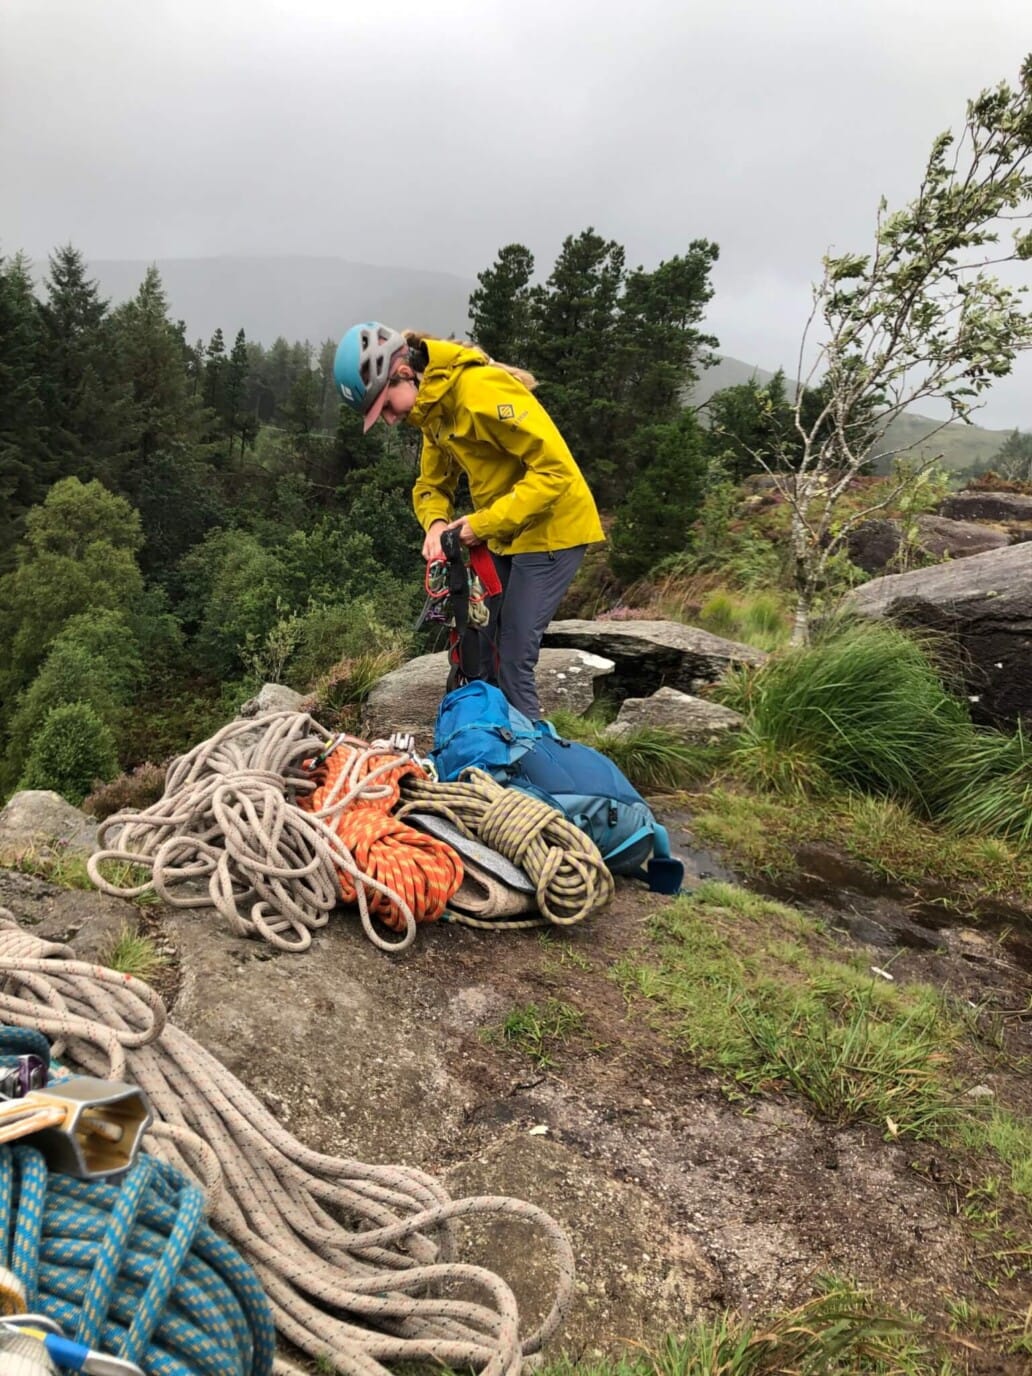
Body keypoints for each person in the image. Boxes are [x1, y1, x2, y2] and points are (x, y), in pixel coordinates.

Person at [333, 322, 604, 721]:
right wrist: (435, 524)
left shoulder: (480, 391)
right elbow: (431, 483)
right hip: (507, 531)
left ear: (404, 373)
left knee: (513, 659)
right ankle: (488, 740)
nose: (389, 420)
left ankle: (528, 759)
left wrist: (483, 524)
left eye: (386, 406)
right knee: (481, 646)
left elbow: (556, 474)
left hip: (554, 532)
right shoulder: (433, 411)